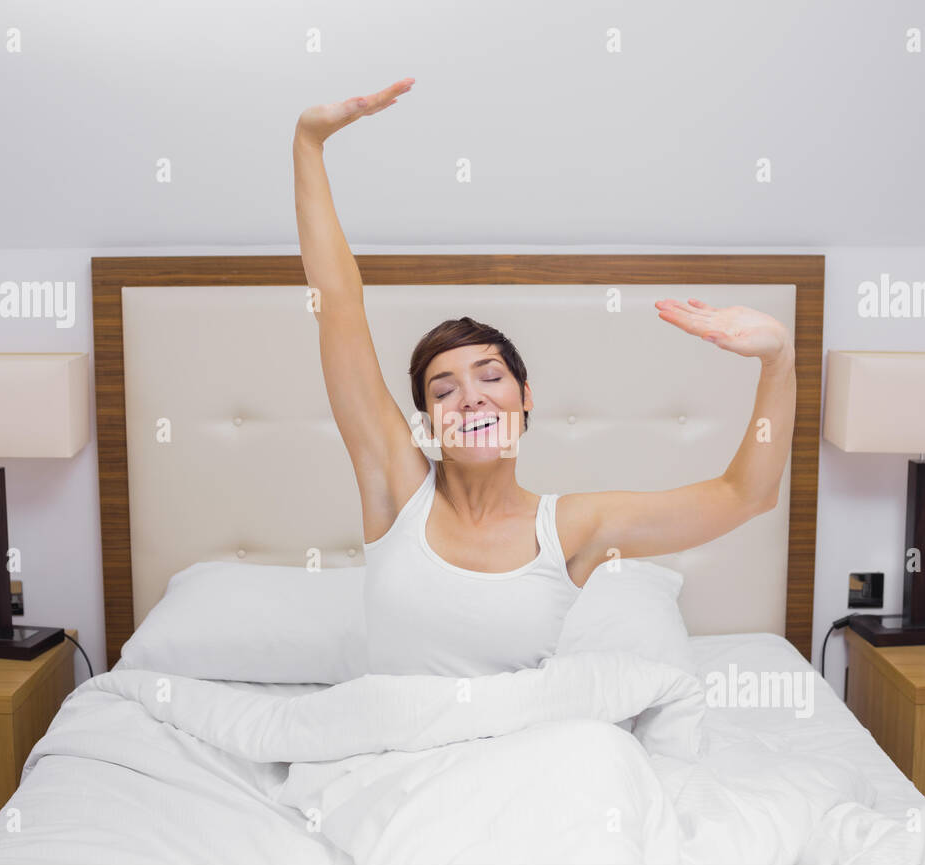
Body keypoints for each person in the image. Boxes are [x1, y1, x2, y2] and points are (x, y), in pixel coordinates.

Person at [293, 77, 796, 676]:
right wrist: (308, 143)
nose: (471, 397)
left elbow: (746, 495)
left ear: (525, 397)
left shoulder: (570, 527)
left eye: (490, 376)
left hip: (518, 759)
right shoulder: (397, 493)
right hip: (405, 756)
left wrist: (778, 360)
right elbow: (338, 303)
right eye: (445, 389)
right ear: (427, 423)